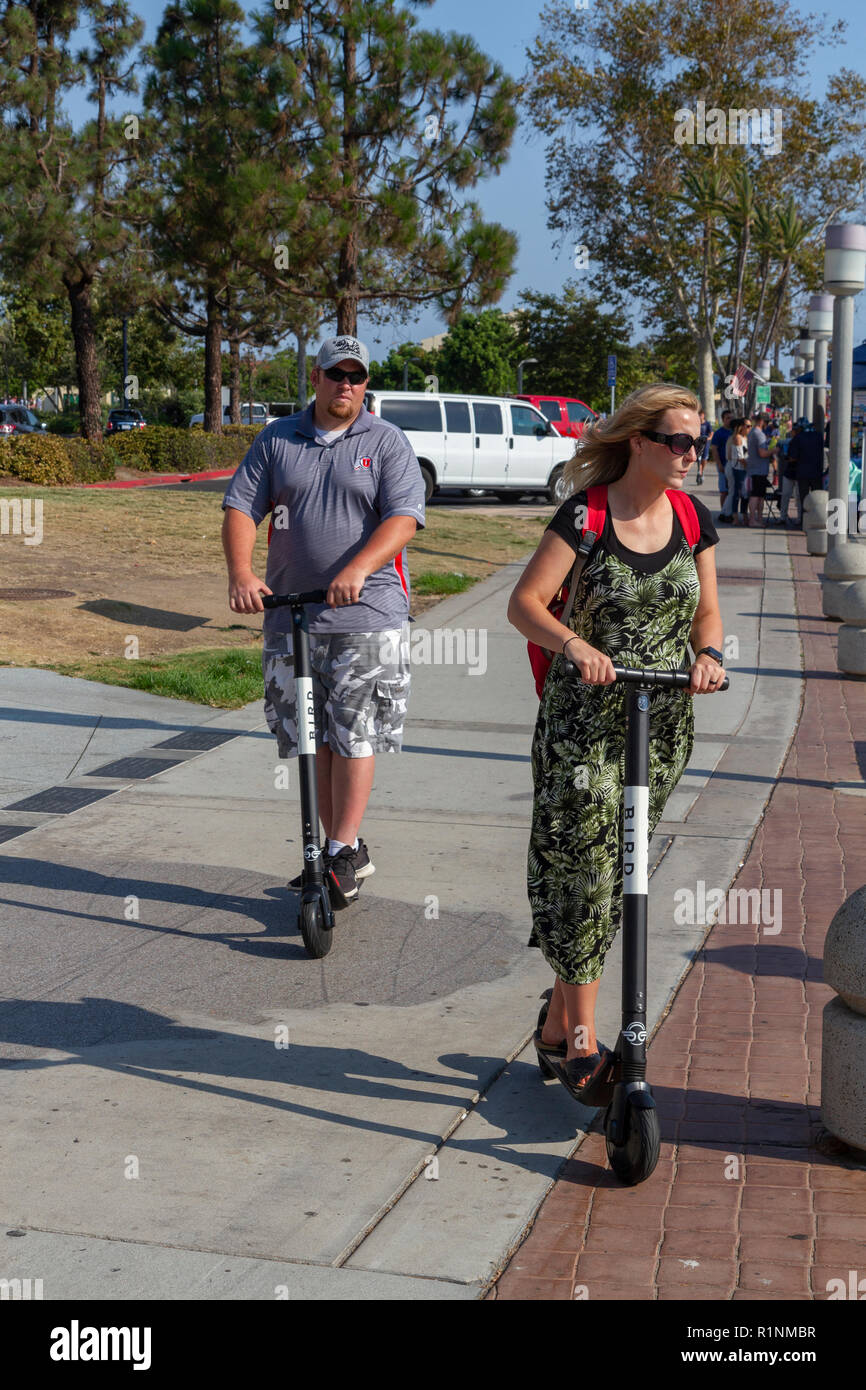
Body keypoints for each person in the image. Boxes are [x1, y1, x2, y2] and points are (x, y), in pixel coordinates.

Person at [506, 383, 724, 1098]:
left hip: (659, 726)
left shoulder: (693, 519)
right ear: (638, 441)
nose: (692, 455)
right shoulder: (587, 515)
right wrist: (574, 645)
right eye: (679, 441)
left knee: (620, 876)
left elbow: (709, 615)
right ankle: (582, 1046)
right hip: (583, 727)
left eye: (700, 441)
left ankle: (551, 1026)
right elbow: (526, 604)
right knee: (589, 876)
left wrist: (710, 658)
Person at [220, 335, 426, 907]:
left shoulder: (385, 442)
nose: (346, 385)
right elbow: (241, 507)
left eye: (356, 376)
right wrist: (241, 574)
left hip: (368, 614)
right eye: (335, 374)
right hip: (291, 615)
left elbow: (404, 518)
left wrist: (358, 568)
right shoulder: (278, 438)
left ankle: (337, 852)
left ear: (366, 384)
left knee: (356, 733)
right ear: (315, 378)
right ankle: (342, 849)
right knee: (314, 740)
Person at [786, 416, 825, 528]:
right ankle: (818, 519)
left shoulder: (798, 438)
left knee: (804, 498)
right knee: (818, 498)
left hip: (802, 472)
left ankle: (805, 522)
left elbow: (793, 457)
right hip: (817, 472)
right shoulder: (818, 436)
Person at [746, 410, 774, 526]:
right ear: (762, 421)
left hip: (753, 468)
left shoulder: (752, 432)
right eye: (766, 422)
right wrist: (774, 450)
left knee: (757, 495)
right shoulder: (759, 434)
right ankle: (754, 520)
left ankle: (756, 519)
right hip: (759, 469)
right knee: (757, 496)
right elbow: (762, 453)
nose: (767, 425)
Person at [722, 417, 749, 525]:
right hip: (737, 468)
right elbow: (736, 456)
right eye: (747, 426)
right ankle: (730, 515)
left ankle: (730, 514)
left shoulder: (744, 438)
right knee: (735, 493)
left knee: (742, 493)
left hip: (741, 468)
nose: (749, 428)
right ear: (740, 427)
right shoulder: (736, 438)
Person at [709, 409, 733, 508]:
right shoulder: (719, 433)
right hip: (723, 465)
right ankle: (723, 512)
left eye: (731, 418)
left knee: (732, 491)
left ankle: (730, 511)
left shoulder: (734, 432)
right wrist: (719, 464)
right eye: (728, 418)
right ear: (723, 419)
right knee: (724, 491)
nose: (730, 420)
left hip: (733, 465)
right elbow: (714, 449)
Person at [695, 408, 712, 484]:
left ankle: (702, 471)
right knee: (698, 458)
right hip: (698, 443)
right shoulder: (696, 423)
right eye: (699, 415)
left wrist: (709, 438)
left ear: (703, 415)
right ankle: (699, 471)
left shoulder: (707, 424)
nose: (700, 416)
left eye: (701, 415)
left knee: (704, 459)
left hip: (706, 443)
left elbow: (711, 432)